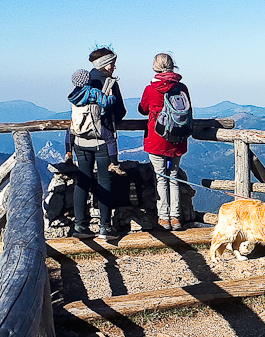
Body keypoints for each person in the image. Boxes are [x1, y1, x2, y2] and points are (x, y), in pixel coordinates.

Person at [67, 47, 127, 239]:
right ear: (106, 64)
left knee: (82, 181)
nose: (115, 67)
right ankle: (105, 228)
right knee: (105, 181)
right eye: (113, 63)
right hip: (102, 140)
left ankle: (80, 227)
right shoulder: (109, 83)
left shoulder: (80, 85)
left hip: (80, 140)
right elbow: (120, 112)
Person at [138, 52, 194, 230]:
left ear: (155, 67)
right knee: (174, 177)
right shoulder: (182, 88)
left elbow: (142, 109)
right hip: (177, 140)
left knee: (161, 178)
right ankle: (176, 218)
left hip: (157, 140)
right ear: (172, 66)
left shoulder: (150, 89)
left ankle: (163, 218)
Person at [65, 69, 126, 176]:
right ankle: (114, 163)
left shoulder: (73, 95)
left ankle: (68, 152)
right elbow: (105, 103)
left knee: (69, 131)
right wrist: (111, 97)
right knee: (111, 139)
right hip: (94, 125)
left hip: (78, 126)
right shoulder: (93, 92)